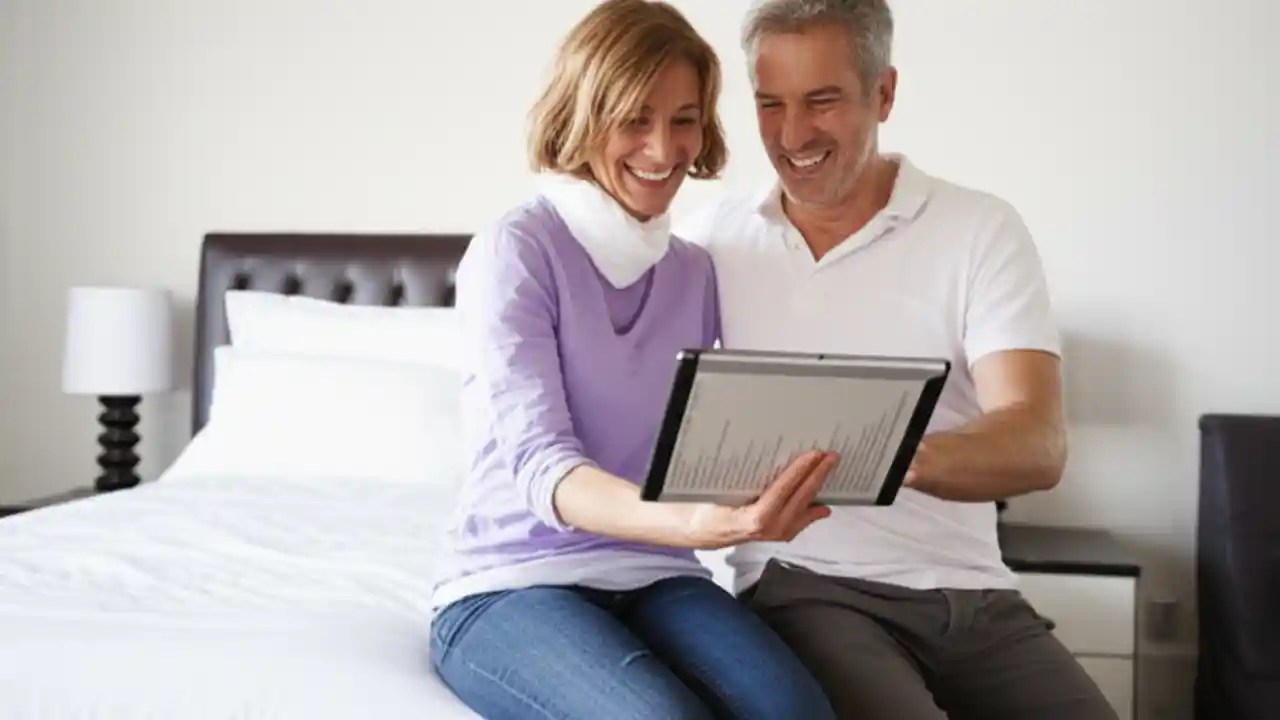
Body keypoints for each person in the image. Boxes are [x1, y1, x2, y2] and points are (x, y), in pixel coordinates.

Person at [678, 1, 1119, 718]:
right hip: (807, 583)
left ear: (883, 92)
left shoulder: (979, 229)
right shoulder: (711, 242)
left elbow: (1037, 442)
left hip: (976, 597)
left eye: (822, 102)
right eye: (770, 105)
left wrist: (874, 446)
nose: (792, 136)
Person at [427, 2, 838, 719]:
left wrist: (771, 488)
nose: (663, 149)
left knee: (796, 711)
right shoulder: (518, 250)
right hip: (513, 582)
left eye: (683, 119)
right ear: (585, 117)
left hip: (654, 572)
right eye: (634, 119)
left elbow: (707, 440)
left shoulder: (691, 271)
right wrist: (691, 526)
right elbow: (542, 470)